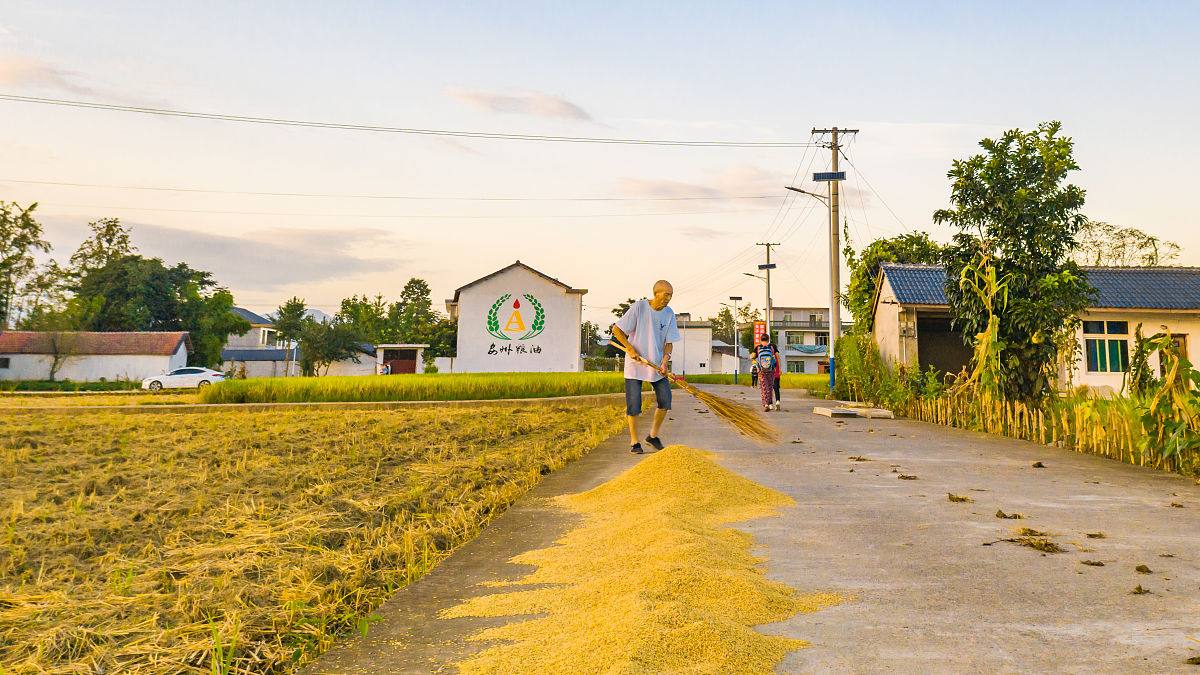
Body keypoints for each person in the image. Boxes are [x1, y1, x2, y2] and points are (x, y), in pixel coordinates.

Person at [611, 280, 680, 454]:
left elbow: (669, 342)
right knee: (634, 404)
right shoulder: (639, 307)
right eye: (666, 294)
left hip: (656, 366)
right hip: (635, 364)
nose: (669, 298)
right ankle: (634, 442)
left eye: (671, 295)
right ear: (656, 294)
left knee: (665, 400)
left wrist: (665, 362)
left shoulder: (669, 314)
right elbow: (617, 330)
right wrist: (629, 348)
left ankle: (652, 436)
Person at [756, 334, 780, 413]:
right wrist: (778, 369)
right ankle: (770, 403)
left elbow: (752, 356)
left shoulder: (758, 347)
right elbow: (777, 358)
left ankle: (766, 404)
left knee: (764, 387)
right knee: (770, 387)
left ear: (761, 339)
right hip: (771, 370)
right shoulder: (772, 347)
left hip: (762, 371)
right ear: (768, 339)